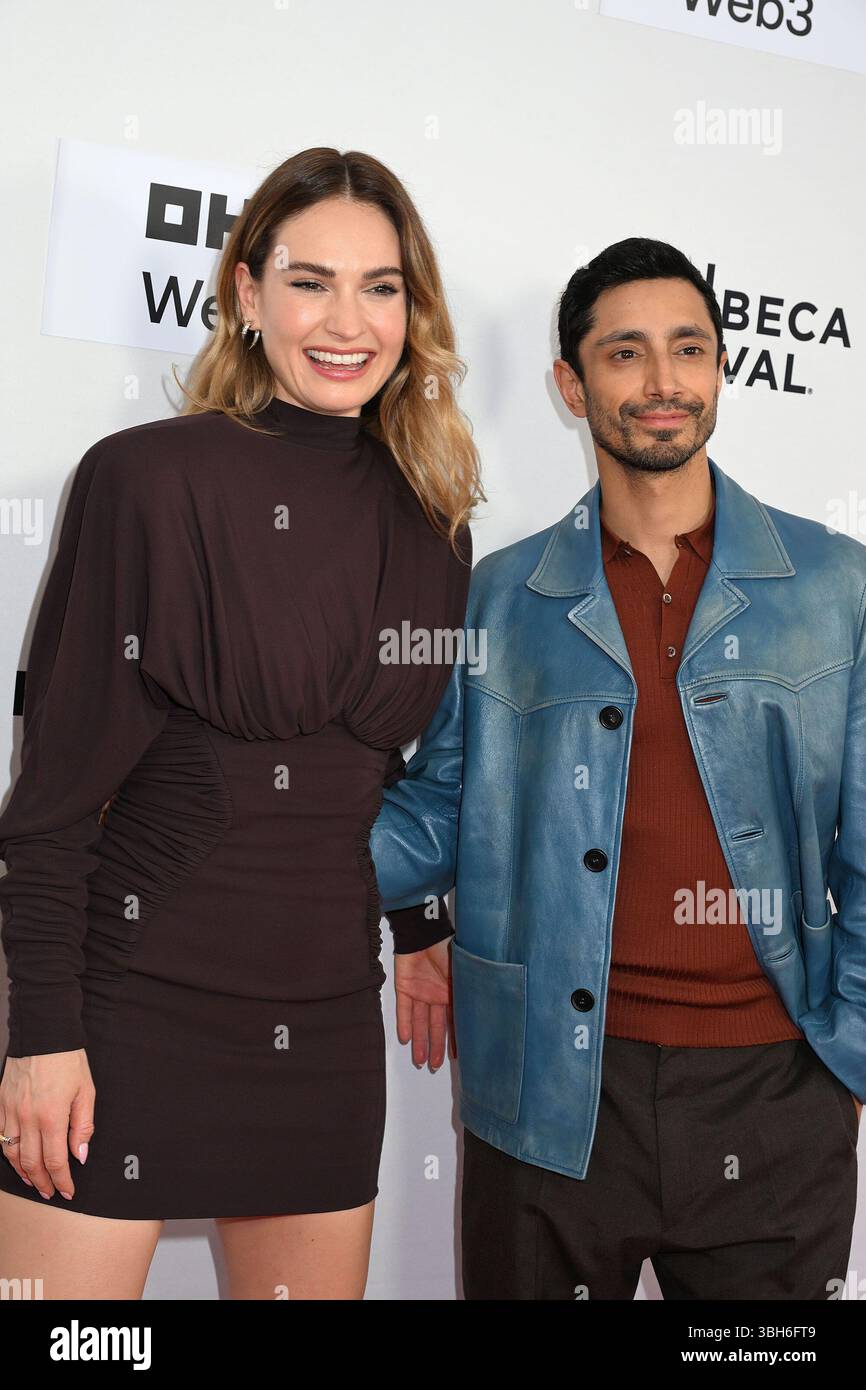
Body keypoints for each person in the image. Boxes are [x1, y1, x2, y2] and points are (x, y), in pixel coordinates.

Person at [0, 146, 478, 1300]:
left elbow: (384, 777)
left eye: (381, 286)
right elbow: (51, 800)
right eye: (310, 280)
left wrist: (415, 923)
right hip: (128, 1007)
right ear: (244, 292)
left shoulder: (436, 525)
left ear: (413, 313)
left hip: (322, 1024)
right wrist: (39, 1036)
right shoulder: (146, 481)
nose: (346, 320)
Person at [371, 237, 865, 1300]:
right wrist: (234, 823)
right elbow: (433, 817)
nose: (660, 383)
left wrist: (849, 1047)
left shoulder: (834, 584)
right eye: (624, 353)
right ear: (570, 383)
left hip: (773, 1098)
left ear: (720, 371)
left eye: (687, 350)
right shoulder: (498, 596)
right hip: (544, 1094)